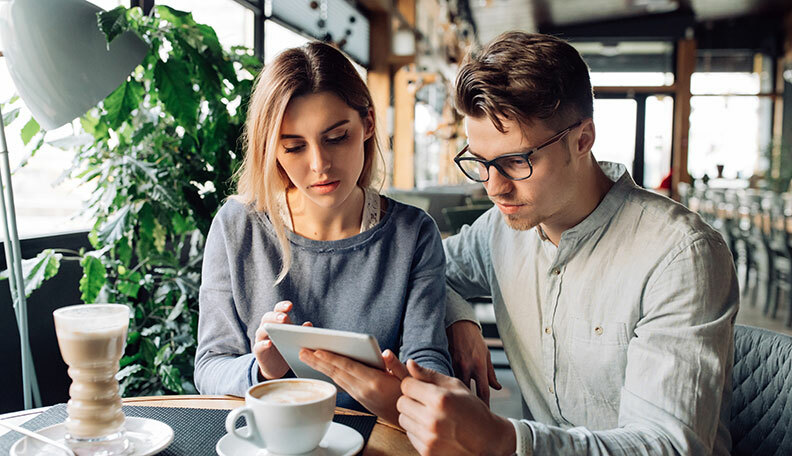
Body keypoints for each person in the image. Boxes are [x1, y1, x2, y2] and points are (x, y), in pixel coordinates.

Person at [393, 32, 740, 455]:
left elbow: (668, 446)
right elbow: (423, 271)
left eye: (516, 161)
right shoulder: (498, 230)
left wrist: (502, 439)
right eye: (480, 163)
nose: (494, 188)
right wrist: (459, 316)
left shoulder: (681, 257)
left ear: (582, 140)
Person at [194, 42, 452, 425]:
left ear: (367, 125)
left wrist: (399, 389)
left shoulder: (412, 234)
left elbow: (430, 365)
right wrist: (262, 370)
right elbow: (210, 366)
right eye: (294, 147)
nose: (320, 165)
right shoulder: (237, 226)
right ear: (272, 150)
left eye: (336, 138)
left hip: (380, 437)